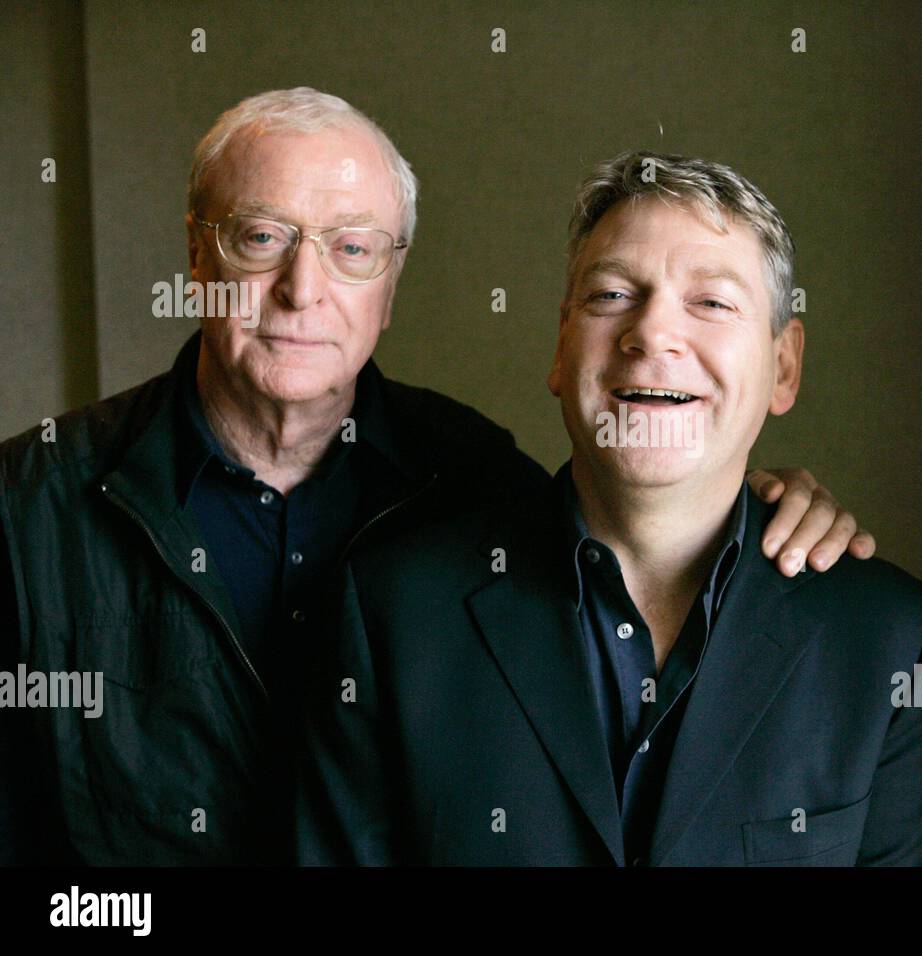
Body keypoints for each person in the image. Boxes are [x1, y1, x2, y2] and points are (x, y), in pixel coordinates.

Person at [0, 88, 872, 865]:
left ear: (392, 279)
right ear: (198, 256)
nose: (303, 289)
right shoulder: (25, 505)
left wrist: (756, 501)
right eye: (262, 238)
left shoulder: (477, 477)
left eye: (352, 248)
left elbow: (643, 513)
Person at [303, 150, 922, 866]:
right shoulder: (391, 611)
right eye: (612, 295)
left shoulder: (897, 644)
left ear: (784, 365)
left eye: (711, 302)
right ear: (561, 349)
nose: (651, 333)